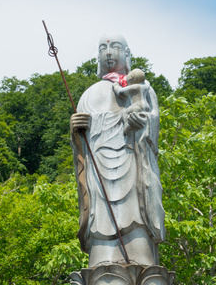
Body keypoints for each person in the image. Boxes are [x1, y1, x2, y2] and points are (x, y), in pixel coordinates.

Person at [70, 35, 165, 269]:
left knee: (136, 213)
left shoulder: (143, 89)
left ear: (127, 54)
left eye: (115, 47)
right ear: (98, 57)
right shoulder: (89, 95)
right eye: (103, 48)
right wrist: (77, 130)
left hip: (134, 166)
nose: (109, 52)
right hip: (100, 175)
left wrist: (138, 123)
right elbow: (82, 147)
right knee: (102, 217)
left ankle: (139, 251)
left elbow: (152, 125)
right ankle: (104, 254)